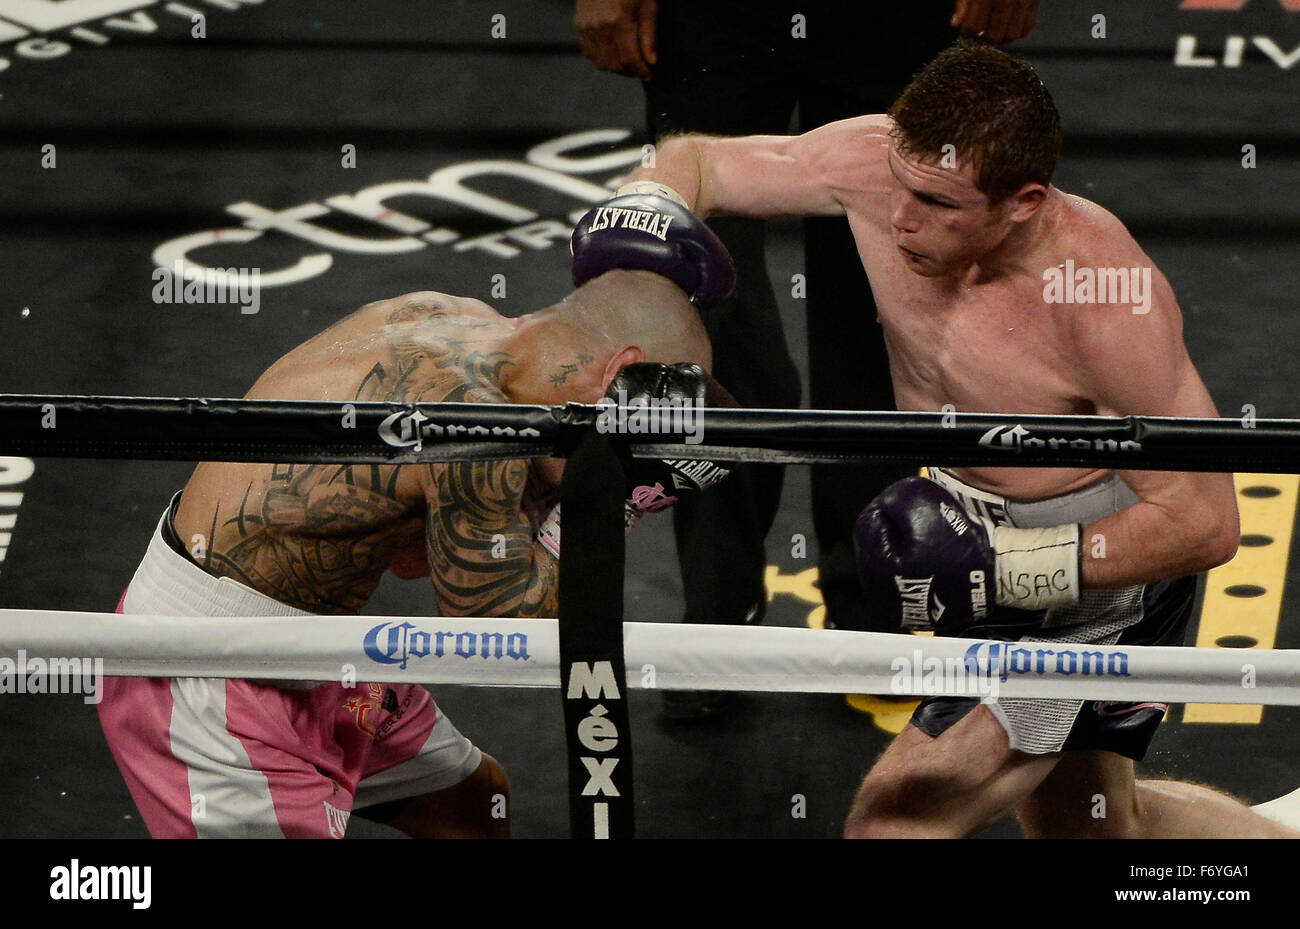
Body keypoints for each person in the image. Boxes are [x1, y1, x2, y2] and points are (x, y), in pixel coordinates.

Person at [575, 42, 1296, 837]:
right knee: (1088, 823)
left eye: (940, 205)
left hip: (1094, 574)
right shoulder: (876, 164)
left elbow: (1205, 519)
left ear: (1023, 201)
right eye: (900, 187)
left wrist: (1005, 568)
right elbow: (700, 163)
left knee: (895, 821)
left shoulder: (1103, 298)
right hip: (963, 525)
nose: (902, 217)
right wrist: (645, 215)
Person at [96, 215, 736, 838]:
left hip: (322, 644)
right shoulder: (476, 424)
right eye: (656, 402)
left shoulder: (450, 318)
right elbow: (506, 636)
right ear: (620, 372)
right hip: (209, 667)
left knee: (470, 804)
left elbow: (411, 554)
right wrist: (617, 500)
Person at [576, 0, 1040, 721]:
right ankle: (716, 624)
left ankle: (875, 605)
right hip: (714, 19)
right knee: (707, 312)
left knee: (889, 294)